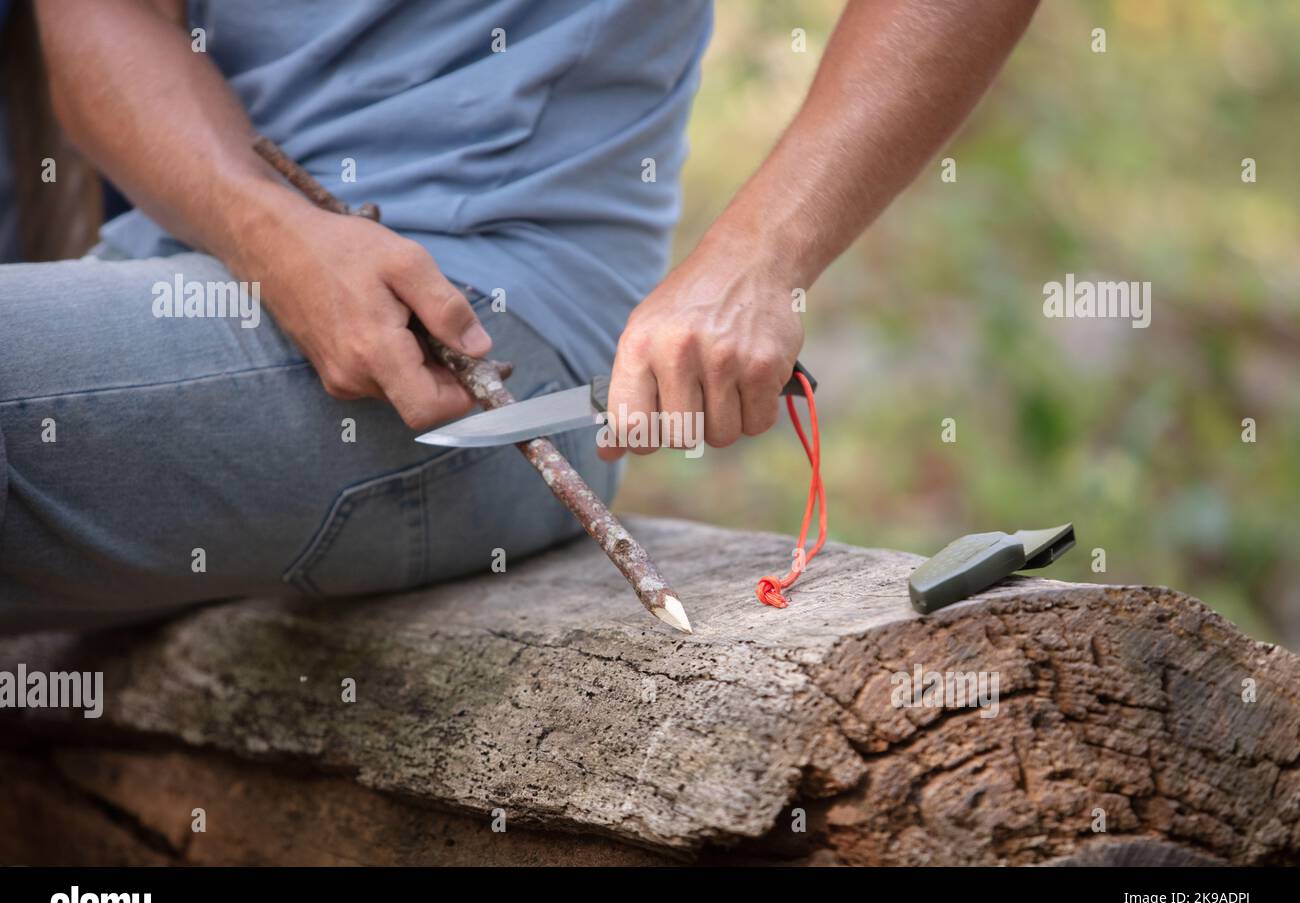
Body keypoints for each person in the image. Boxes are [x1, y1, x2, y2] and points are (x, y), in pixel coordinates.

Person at [0, 0, 1037, 634]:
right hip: (175, 267)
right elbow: (98, 13)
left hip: (486, 328)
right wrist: (272, 238)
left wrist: (757, 260)